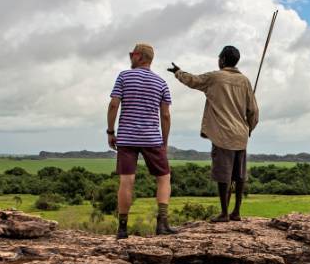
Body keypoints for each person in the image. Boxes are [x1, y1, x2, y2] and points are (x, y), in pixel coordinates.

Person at [168, 46, 259, 222]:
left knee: (223, 175)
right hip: (241, 135)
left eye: (219, 58)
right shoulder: (245, 81)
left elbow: (193, 80)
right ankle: (237, 211)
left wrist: (178, 72)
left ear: (223, 60)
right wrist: (249, 129)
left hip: (223, 135)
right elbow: (253, 111)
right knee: (239, 175)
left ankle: (224, 213)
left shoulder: (215, 78)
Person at [107, 43, 175, 239]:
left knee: (127, 180)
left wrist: (111, 131)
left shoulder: (123, 77)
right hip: (152, 138)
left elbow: (113, 105)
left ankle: (122, 229)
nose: (130, 57)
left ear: (139, 56)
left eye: (132, 54)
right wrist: (164, 141)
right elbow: (166, 115)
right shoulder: (161, 83)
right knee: (163, 178)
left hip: (127, 137)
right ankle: (162, 224)